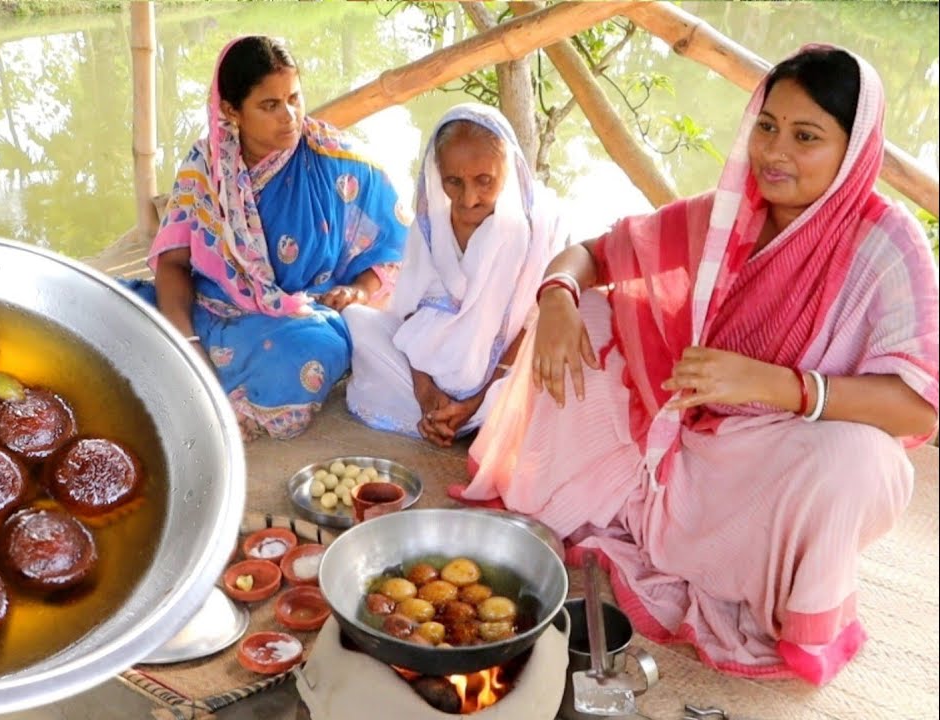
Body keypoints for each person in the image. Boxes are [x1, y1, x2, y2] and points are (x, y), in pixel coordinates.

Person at [450, 45, 938, 685]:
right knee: (585, 320)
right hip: (682, 434)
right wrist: (557, 297)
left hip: (773, 459)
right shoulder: (729, 214)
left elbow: (917, 404)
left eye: (805, 136)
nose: (774, 152)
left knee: (860, 460)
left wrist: (775, 386)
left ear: (853, 149)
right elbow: (589, 255)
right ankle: (608, 501)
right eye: (766, 126)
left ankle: (770, 585)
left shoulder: (887, 244)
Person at [124, 36, 408, 440]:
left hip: (292, 320)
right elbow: (173, 263)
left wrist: (358, 292)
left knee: (314, 351)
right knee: (116, 310)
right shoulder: (205, 167)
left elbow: (396, 243)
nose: (289, 116)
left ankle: (210, 401)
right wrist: (186, 342)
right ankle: (189, 374)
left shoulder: (336, 159)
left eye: (294, 98)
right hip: (207, 309)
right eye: (270, 105)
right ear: (231, 110)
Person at [343, 103, 569, 447]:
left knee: (537, 387)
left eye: (484, 181)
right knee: (359, 322)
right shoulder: (430, 225)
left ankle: (472, 416)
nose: (468, 199)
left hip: (498, 379)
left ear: (507, 168)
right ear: (437, 174)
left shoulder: (536, 227)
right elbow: (409, 317)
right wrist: (424, 390)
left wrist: (476, 399)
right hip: (428, 373)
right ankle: (441, 414)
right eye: (453, 181)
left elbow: (533, 328)